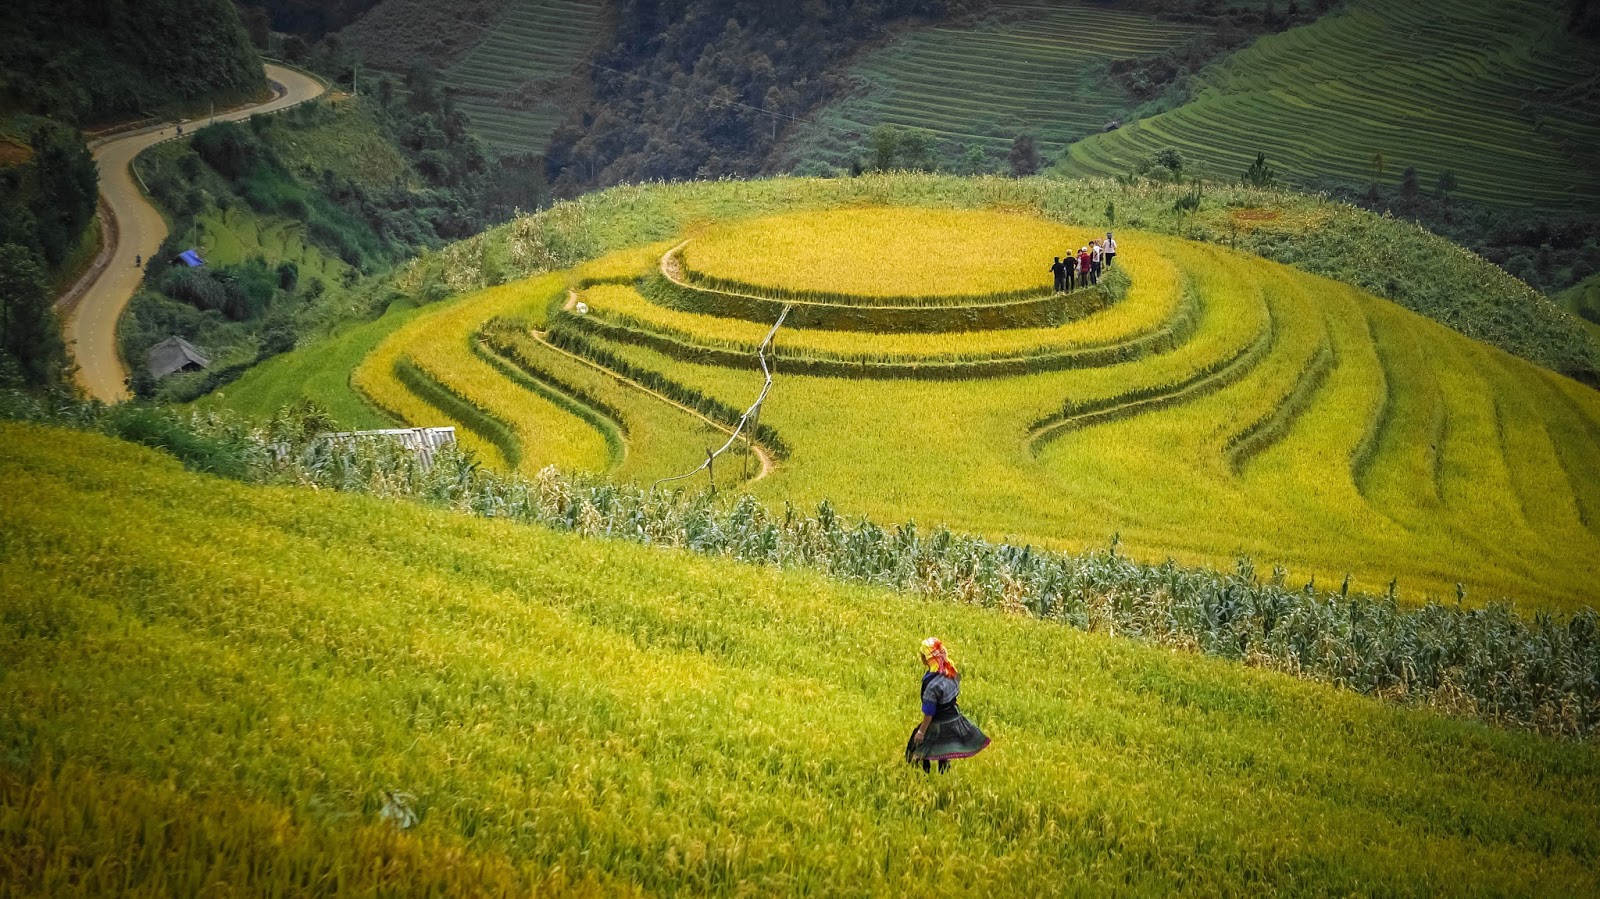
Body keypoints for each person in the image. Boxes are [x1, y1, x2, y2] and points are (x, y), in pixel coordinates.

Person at [906, 637, 990, 774]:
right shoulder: (952, 670)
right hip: (953, 717)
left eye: (923, 655)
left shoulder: (931, 685)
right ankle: (943, 776)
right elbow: (955, 693)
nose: (921, 657)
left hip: (939, 722)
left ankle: (922, 777)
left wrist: (921, 731)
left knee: (916, 751)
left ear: (928, 658)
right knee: (944, 754)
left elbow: (929, 711)